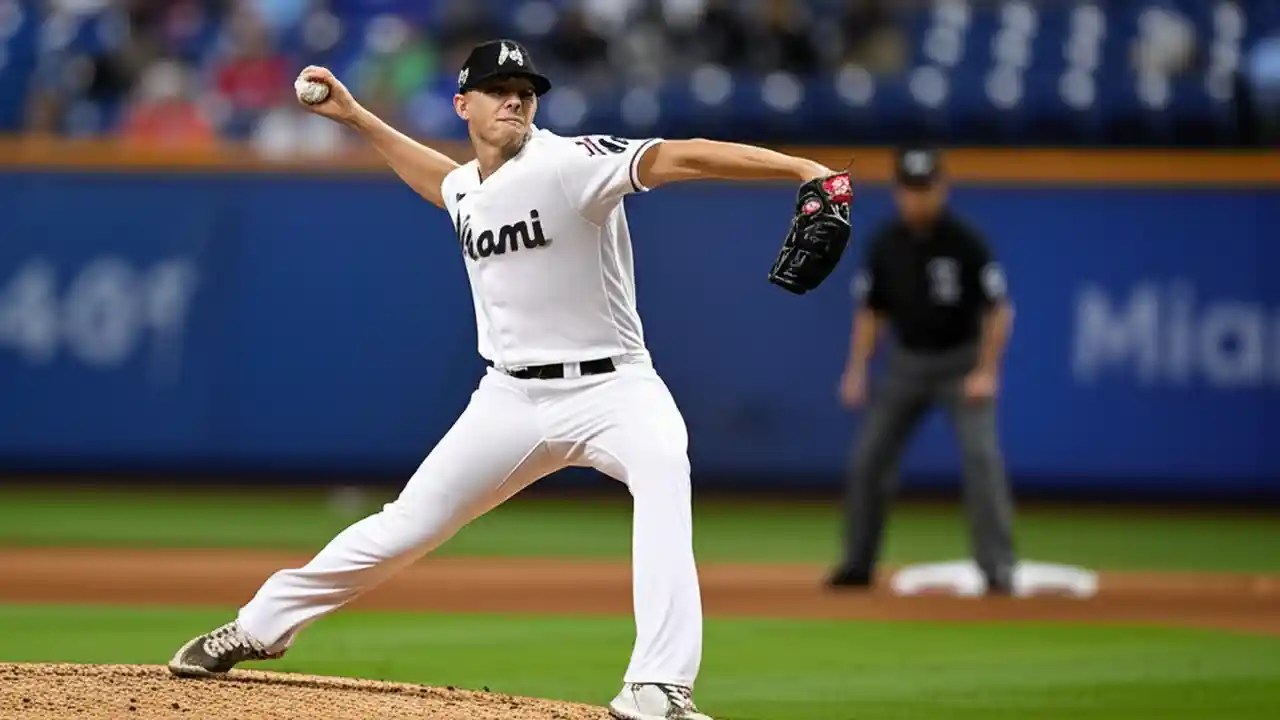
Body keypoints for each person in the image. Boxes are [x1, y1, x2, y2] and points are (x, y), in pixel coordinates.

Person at [166, 39, 837, 720]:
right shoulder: (467, 186)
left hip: (615, 390)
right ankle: (257, 626)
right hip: (510, 398)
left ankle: (657, 685)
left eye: (525, 89)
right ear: (463, 104)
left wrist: (799, 167)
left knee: (664, 474)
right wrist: (359, 119)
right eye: (497, 88)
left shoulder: (571, 164)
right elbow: (445, 185)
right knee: (405, 525)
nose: (515, 98)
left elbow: (680, 153)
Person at [827, 146, 1017, 595]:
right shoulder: (886, 243)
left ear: (941, 189)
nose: (917, 199)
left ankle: (998, 568)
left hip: (960, 362)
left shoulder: (965, 240)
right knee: (869, 459)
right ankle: (857, 564)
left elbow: (998, 311)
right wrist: (857, 370)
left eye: (925, 189)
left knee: (981, 459)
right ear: (898, 193)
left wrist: (987, 371)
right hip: (907, 363)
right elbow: (871, 313)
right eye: (909, 190)